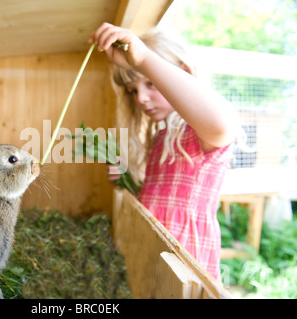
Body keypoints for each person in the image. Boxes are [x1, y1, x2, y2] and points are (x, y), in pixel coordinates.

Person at [89, 22, 241, 280]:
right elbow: (162, 200)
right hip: (154, 254)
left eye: (150, 83)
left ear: (182, 73)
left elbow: (223, 125)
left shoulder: (196, 133)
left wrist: (145, 59)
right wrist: (129, 182)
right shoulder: (162, 137)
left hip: (184, 263)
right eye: (133, 90)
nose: (140, 98)